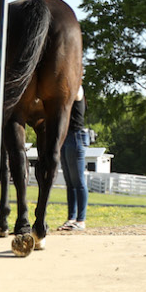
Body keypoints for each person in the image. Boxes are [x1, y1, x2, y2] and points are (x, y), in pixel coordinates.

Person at [58, 86, 91, 231]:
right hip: (66, 136)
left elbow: (67, 96)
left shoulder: (77, 89)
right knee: (70, 182)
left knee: (78, 181)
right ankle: (71, 218)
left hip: (76, 137)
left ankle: (81, 220)